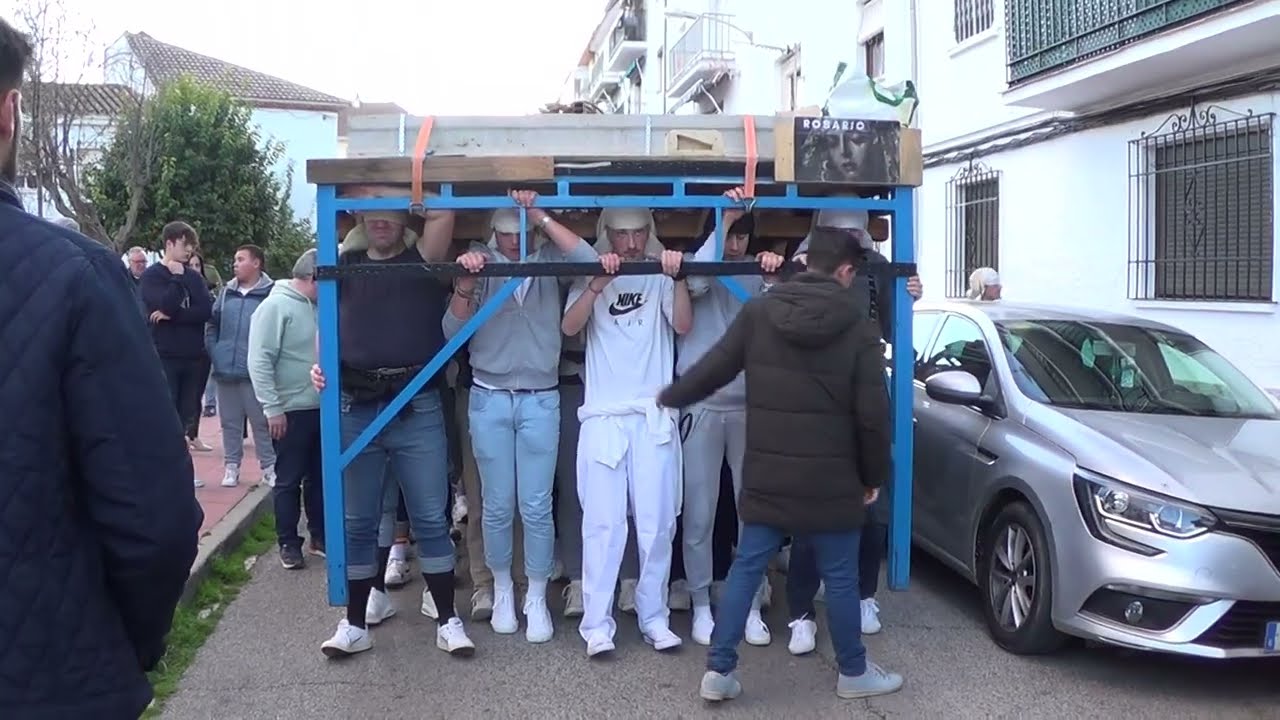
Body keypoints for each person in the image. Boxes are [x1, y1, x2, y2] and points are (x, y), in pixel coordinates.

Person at [0, 20, 204, 718]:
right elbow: (157, 520)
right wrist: (120, 643)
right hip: (49, 677)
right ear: (8, 111)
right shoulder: (75, 276)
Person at [656, 227, 904, 702]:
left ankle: (719, 672)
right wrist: (872, 478)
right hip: (833, 480)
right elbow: (873, 416)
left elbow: (712, 369)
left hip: (769, 474)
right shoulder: (857, 326)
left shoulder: (760, 312)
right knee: (842, 577)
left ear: (805, 262)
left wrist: (671, 395)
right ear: (846, 271)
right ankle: (853, 671)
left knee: (747, 567)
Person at [310, 205, 475, 658]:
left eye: (390, 212)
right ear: (362, 220)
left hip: (415, 399)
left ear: (404, 219)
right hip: (356, 402)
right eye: (373, 213)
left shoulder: (423, 259)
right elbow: (328, 320)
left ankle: (448, 619)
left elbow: (443, 215)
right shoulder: (343, 266)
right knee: (359, 520)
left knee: (429, 514)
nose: (381, 221)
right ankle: (355, 623)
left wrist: (397, 183)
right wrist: (320, 364)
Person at [445, 190, 598, 642]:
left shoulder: (550, 257)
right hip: (490, 394)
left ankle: (534, 593)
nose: (514, 242)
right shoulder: (478, 262)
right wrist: (466, 283)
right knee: (494, 504)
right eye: (507, 234)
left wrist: (539, 215)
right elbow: (451, 333)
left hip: (540, 394)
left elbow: (588, 257)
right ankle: (504, 589)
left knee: (535, 504)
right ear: (494, 233)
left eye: (521, 233)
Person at [786, 207, 923, 645]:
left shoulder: (878, 268)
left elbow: (892, 328)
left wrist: (908, 296)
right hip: (814, 397)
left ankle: (865, 595)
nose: (847, 236)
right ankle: (801, 614)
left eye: (853, 228)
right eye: (837, 228)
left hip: (863, 391)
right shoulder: (799, 265)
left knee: (871, 504)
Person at [561, 206, 692, 657]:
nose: (632, 243)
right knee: (602, 524)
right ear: (607, 235)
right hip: (604, 417)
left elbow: (682, 326)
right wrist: (597, 283)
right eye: (622, 234)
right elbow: (569, 327)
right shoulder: (590, 272)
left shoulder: (660, 271)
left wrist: (676, 278)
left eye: (639, 233)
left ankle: (654, 615)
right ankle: (597, 623)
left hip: (652, 415)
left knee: (657, 524)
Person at [673, 187, 785, 647]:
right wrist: (725, 218)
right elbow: (695, 282)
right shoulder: (700, 266)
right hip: (701, 407)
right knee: (698, 513)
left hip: (748, 409)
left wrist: (775, 276)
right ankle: (702, 604)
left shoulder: (760, 275)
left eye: (742, 234)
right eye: (727, 234)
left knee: (751, 515)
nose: (735, 244)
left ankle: (751, 603)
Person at [248, 248, 327, 569]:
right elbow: (259, 359)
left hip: (320, 406)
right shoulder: (275, 307)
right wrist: (272, 408)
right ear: (313, 277)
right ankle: (287, 542)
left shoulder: (320, 306)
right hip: (290, 409)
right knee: (289, 479)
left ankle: (319, 537)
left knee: (320, 478)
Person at [139, 221, 215, 488]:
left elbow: (205, 311)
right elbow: (161, 305)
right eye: (185, 244)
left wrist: (173, 315)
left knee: (187, 416)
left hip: (193, 356)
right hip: (165, 355)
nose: (189, 250)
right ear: (170, 243)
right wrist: (174, 280)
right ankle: (162, 471)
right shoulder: (152, 276)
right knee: (166, 415)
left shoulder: (193, 276)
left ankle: (184, 469)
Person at [207, 244, 276, 487]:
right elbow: (212, 324)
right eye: (235, 259)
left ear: (256, 263)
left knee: (261, 422)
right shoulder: (226, 292)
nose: (234, 264)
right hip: (226, 369)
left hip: (255, 372)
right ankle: (231, 467)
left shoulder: (271, 293)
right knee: (230, 422)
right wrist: (215, 352)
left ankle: (269, 467)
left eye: (240, 259)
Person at [185, 250, 217, 452]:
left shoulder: (207, 291)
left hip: (202, 349)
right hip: (182, 349)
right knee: (184, 396)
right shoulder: (180, 288)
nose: (195, 270)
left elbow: (208, 315)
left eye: (198, 266)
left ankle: (193, 434)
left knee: (197, 394)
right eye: (191, 265)